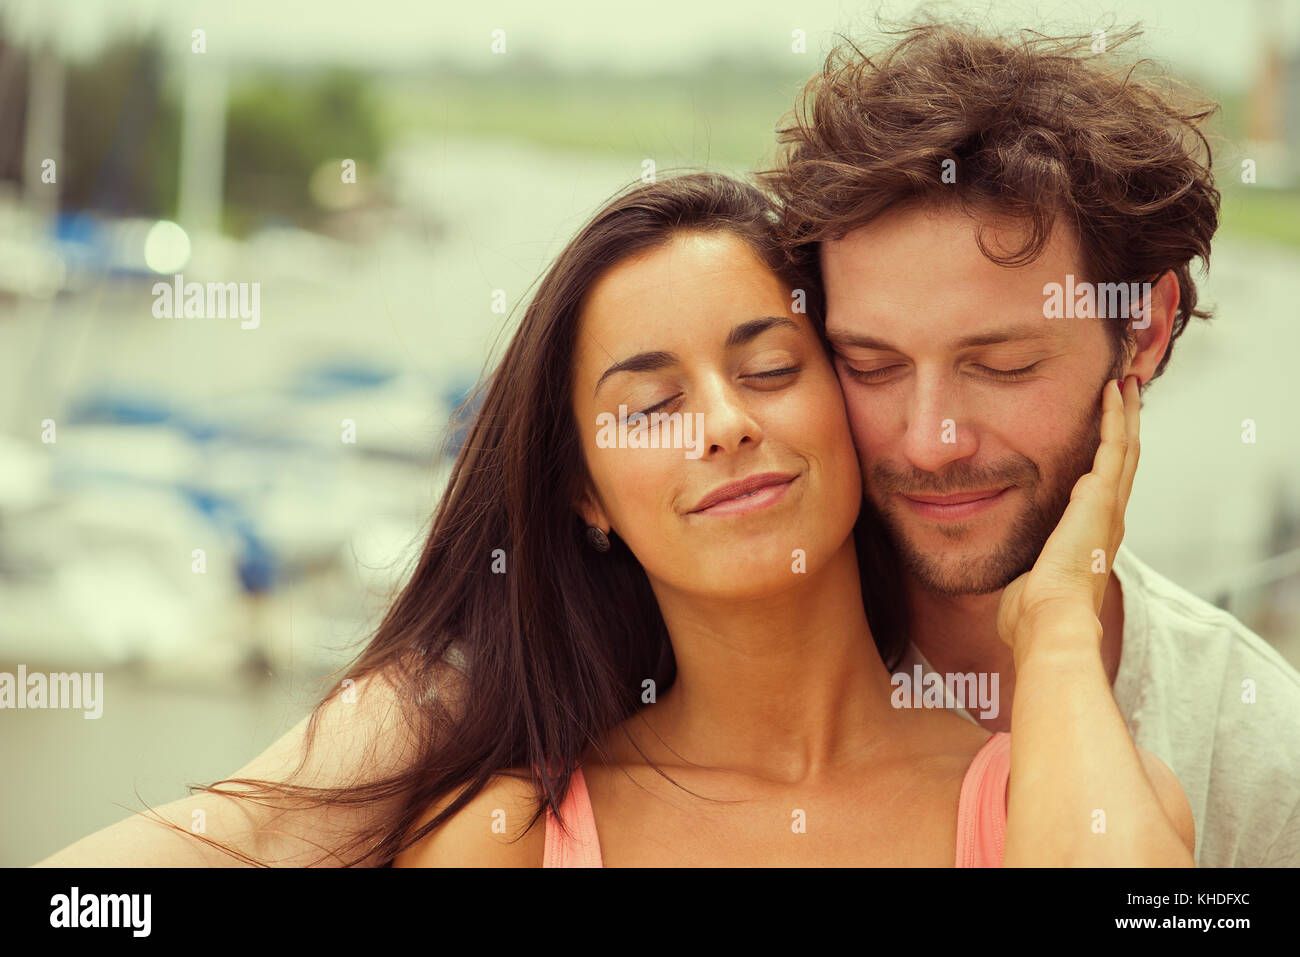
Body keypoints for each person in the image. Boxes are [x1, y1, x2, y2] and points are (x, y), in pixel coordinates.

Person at [38, 172, 1188, 867]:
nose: (724, 426)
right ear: (584, 491)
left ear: (845, 399)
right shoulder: (515, 833)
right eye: (648, 405)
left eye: (771, 367)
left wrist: (1051, 636)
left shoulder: (1057, 792)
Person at [755, 20, 1300, 866]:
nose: (932, 441)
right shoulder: (687, 657)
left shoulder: (1258, 750)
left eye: (1002, 364)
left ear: (1143, 330)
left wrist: (1055, 632)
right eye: (873, 365)